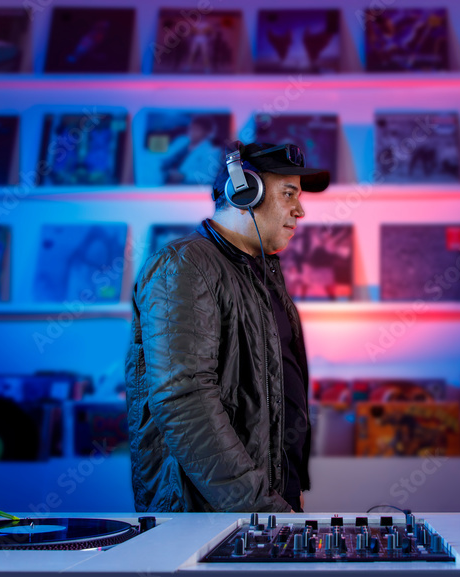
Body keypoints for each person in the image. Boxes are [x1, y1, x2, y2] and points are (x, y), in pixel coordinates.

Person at [126, 142, 329, 512]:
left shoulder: (261, 273)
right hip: (213, 517)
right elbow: (184, 401)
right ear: (244, 191)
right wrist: (260, 508)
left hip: (265, 509)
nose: (300, 210)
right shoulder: (182, 267)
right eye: (289, 194)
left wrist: (289, 489)